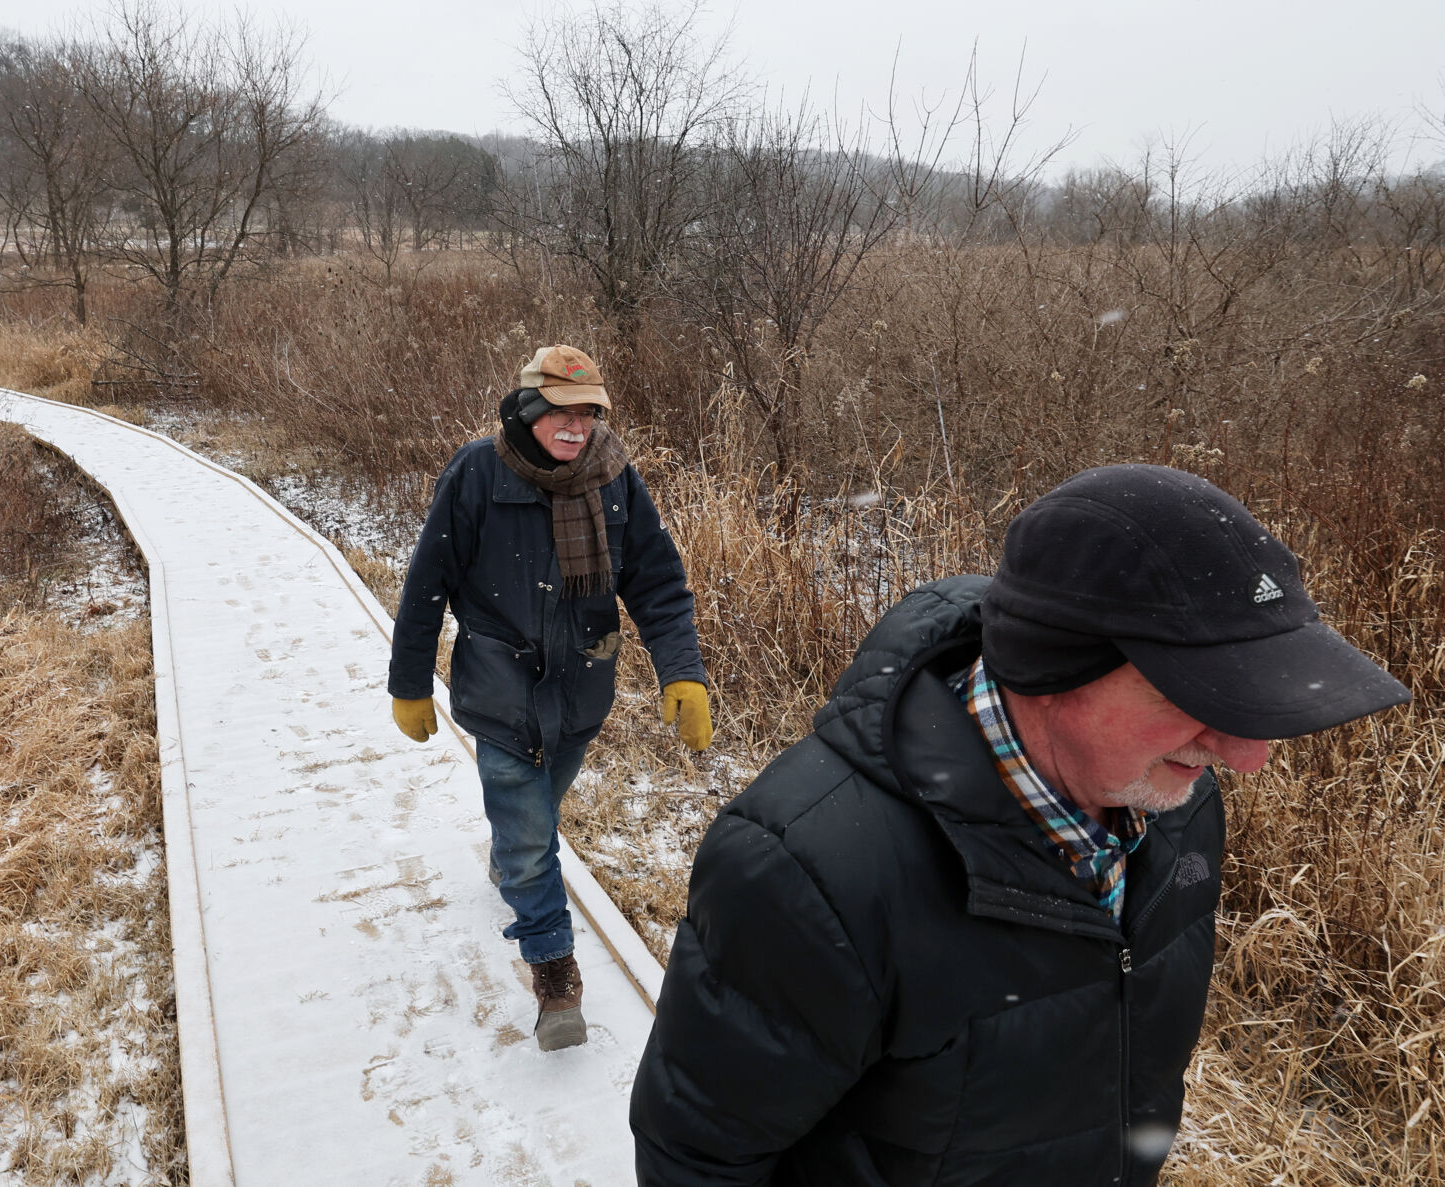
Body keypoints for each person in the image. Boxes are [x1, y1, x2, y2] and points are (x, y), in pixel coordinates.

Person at [630, 464, 1410, 1185]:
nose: (1246, 757)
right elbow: (700, 1155)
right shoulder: (806, 874)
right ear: (1047, 666)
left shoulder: (1174, 804)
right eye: (1194, 693)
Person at [388, 344, 711, 1051]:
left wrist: (681, 670)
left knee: (539, 808)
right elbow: (426, 583)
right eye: (562, 410)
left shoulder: (614, 479)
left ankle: (510, 860)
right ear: (529, 408)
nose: (576, 425)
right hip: (499, 684)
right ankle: (554, 971)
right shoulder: (477, 472)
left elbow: (656, 582)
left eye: (589, 411)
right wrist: (409, 682)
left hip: (581, 688)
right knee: (533, 836)